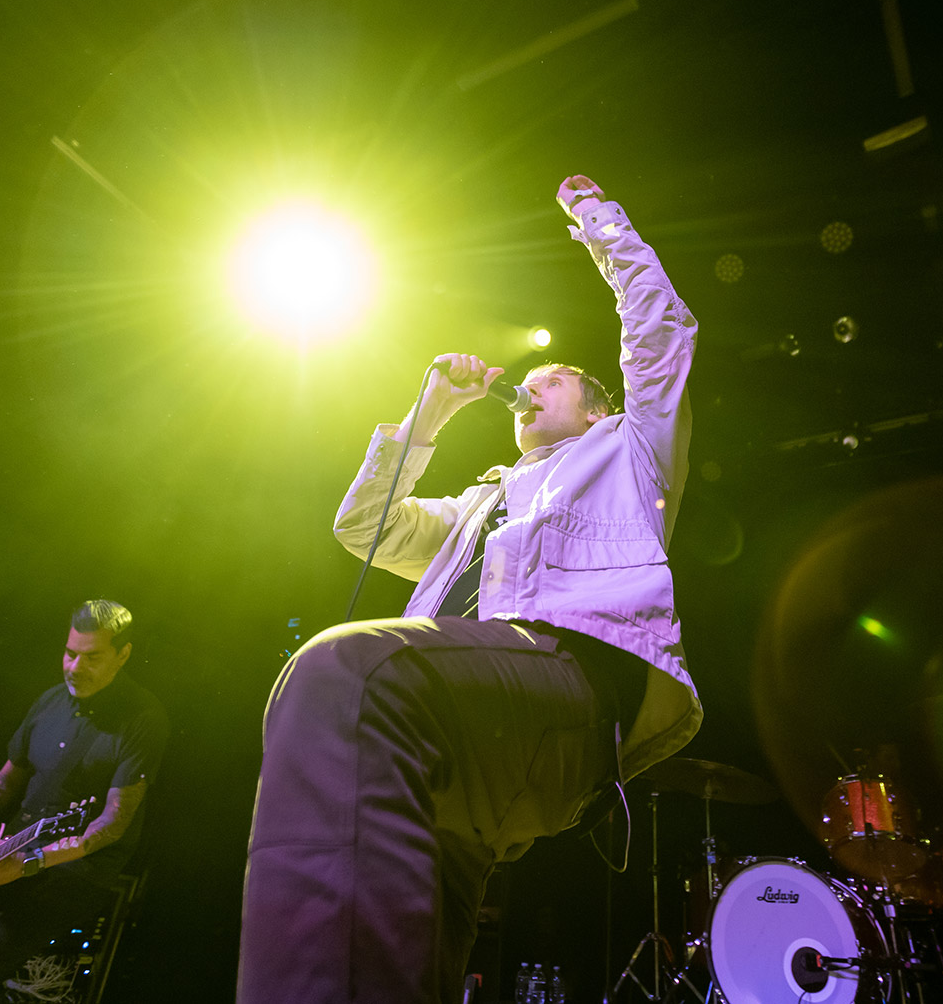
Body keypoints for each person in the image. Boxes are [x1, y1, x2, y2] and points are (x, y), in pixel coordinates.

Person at [238, 175, 701, 1004]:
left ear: (597, 411)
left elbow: (661, 330)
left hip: (565, 687)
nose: (531, 387)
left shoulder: (629, 453)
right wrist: (427, 419)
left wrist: (600, 223)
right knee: (414, 955)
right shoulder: (482, 499)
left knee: (345, 675)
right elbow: (361, 524)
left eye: (554, 378)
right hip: (462, 734)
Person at [0, 599, 169, 1004]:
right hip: (12, 853)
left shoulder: (145, 718)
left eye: (92, 658)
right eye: (70, 654)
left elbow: (110, 825)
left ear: (123, 655)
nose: (75, 668)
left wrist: (29, 864)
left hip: (75, 871)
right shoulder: (50, 700)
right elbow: (8, 777)